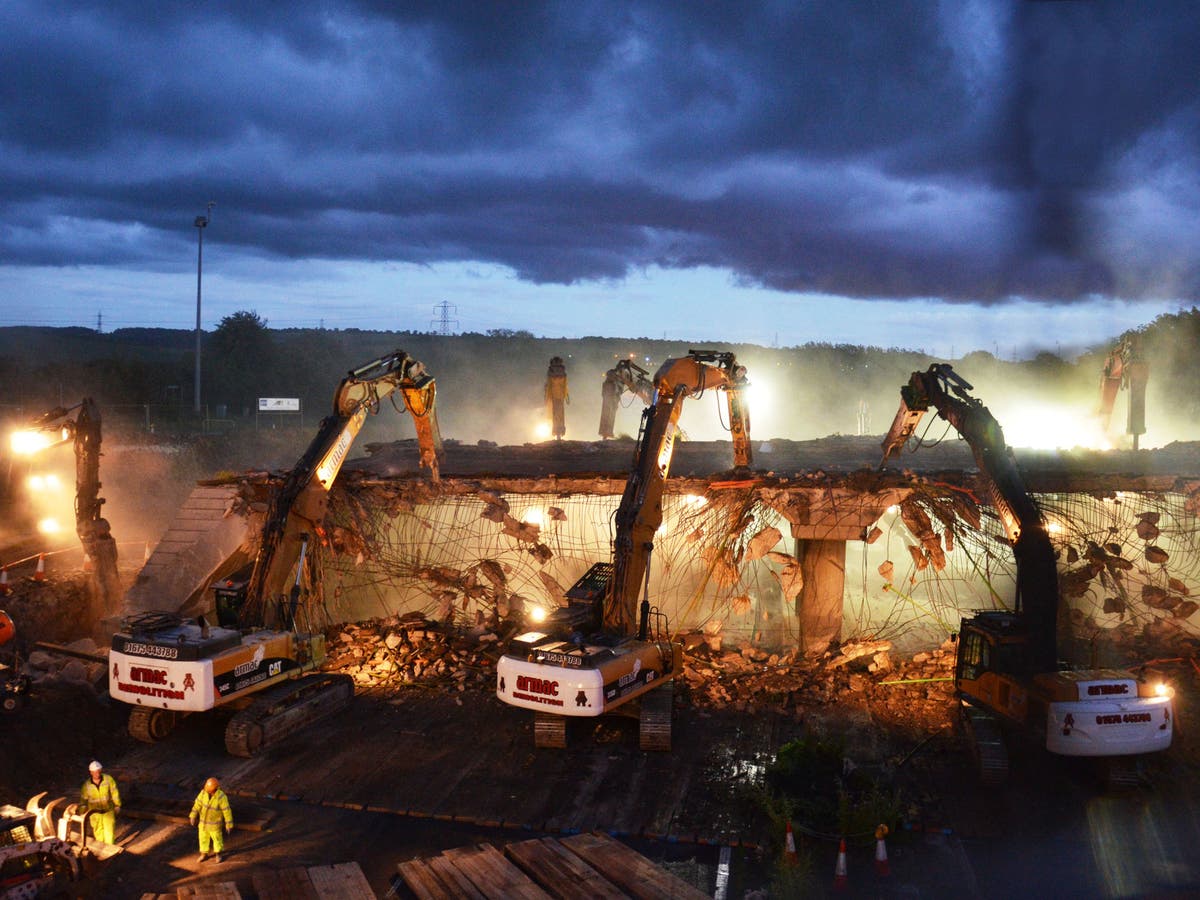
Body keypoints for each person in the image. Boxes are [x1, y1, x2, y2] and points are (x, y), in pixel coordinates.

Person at [189, 776, 233, 863]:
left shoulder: (221, 797)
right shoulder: (203, 793)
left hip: (215, 826)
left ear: (215, 789)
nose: (208, 792)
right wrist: (193, 815)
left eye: (210, 791)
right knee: (203, 839)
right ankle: (203, 854)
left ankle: (218, 854)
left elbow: (226, 811)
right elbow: (197, 805)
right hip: (203, 824)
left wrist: (229, 824)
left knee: (217, 840)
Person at [79, 760, 121, 845]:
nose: (97, 774)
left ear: (101, 770)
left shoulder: (108, 779)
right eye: (94, 772)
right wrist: (82, 812)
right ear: (90, 772)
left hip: (108, 811)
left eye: (98, 771)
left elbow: (114, 793)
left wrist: (117, 805)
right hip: (94, 814)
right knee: (98, 833)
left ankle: (110, 851)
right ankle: (101, 849)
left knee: (109, 833)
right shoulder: (86, 785)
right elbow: (83, 801)